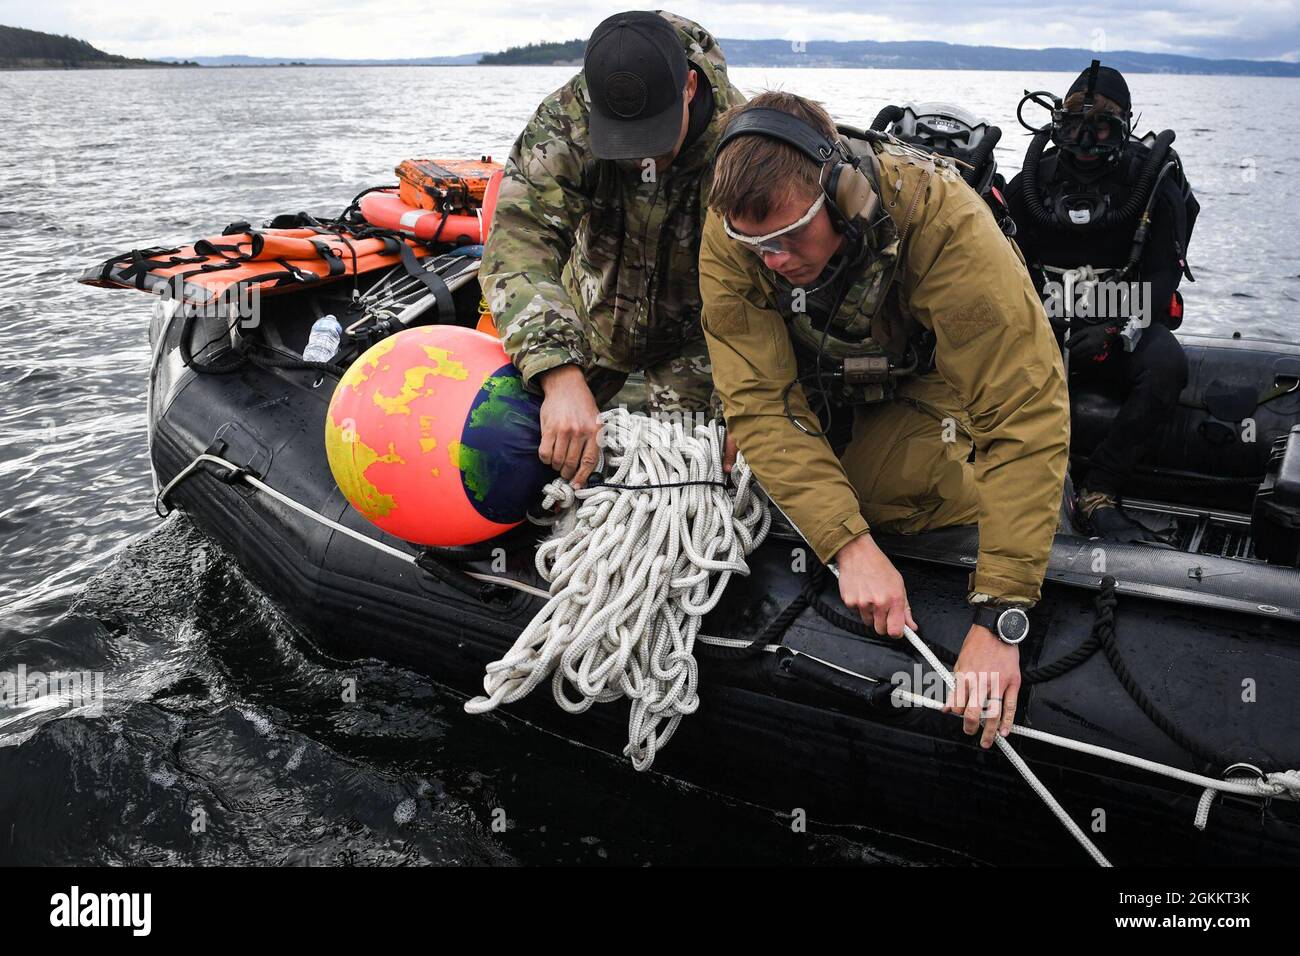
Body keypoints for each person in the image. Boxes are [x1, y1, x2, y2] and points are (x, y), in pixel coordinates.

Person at [699, 91, 1070, 748]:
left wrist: (1002, 612)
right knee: (750, 466)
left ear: (844, 196)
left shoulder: (943, 223)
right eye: (754, 244)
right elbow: (758, 402)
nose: (772, 259)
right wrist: (849, 546)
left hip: (925, 387)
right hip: (821, 385)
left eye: (788, 237)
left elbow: (1019, 407)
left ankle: (1033, 506)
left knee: (902, 486)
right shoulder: (738, 230)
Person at [479, 11, 745, 488]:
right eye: (628, 142)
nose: (645, 157)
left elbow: (760, 286)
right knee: (520, 450)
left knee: (686, 475)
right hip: (587, 319)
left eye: (657, 140)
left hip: (695, 336)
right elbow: (519, 244)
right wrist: (557, 371)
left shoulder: (741, 143)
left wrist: (746, 404)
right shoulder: (566, 121)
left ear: (689, 87)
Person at [1004, 62, 1197, 541]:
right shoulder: (1030, 184)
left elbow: (1162, 277)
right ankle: (1009, 475)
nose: (1087, 142)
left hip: (1118, 326)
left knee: (1167, 365)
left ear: (1125, 127)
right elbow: (995, 268)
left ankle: (1099, 489)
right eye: (1074, 126)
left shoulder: (1152, 184)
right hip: (1040, 325)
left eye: (1104, 127)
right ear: (1056, 125)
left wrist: (1114, 326)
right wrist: (1035, 325)